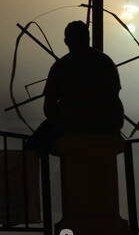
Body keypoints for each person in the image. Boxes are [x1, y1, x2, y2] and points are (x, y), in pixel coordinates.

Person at [26, 20, 124, 153]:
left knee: (32, 147)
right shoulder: (106, 62)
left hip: (72, 124)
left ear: (67, 41)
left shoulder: (61, 66)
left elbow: (49, 107)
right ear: (87, 38)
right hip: (108, 124)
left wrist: (61, 122)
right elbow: (114, 94)